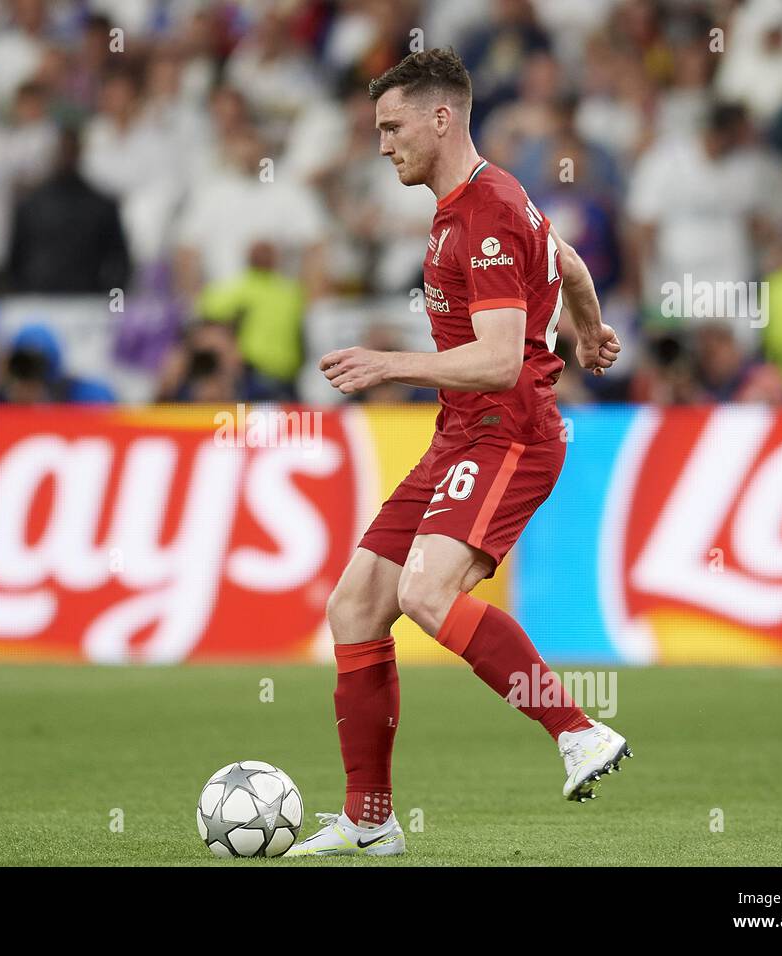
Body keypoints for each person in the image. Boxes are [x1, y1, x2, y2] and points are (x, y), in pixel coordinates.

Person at [287, 48, 628, 859]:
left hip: (509, 431)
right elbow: (566, 259)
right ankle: (370, 819)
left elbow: (502, 360)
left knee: (425, 593)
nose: (382, 145)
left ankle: (578, 730)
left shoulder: (487, 211)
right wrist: (588, 329)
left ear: (442, 118)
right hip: (461, 434)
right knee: (354, 608)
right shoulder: (478, 202)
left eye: (392, 127)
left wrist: (389, 364)